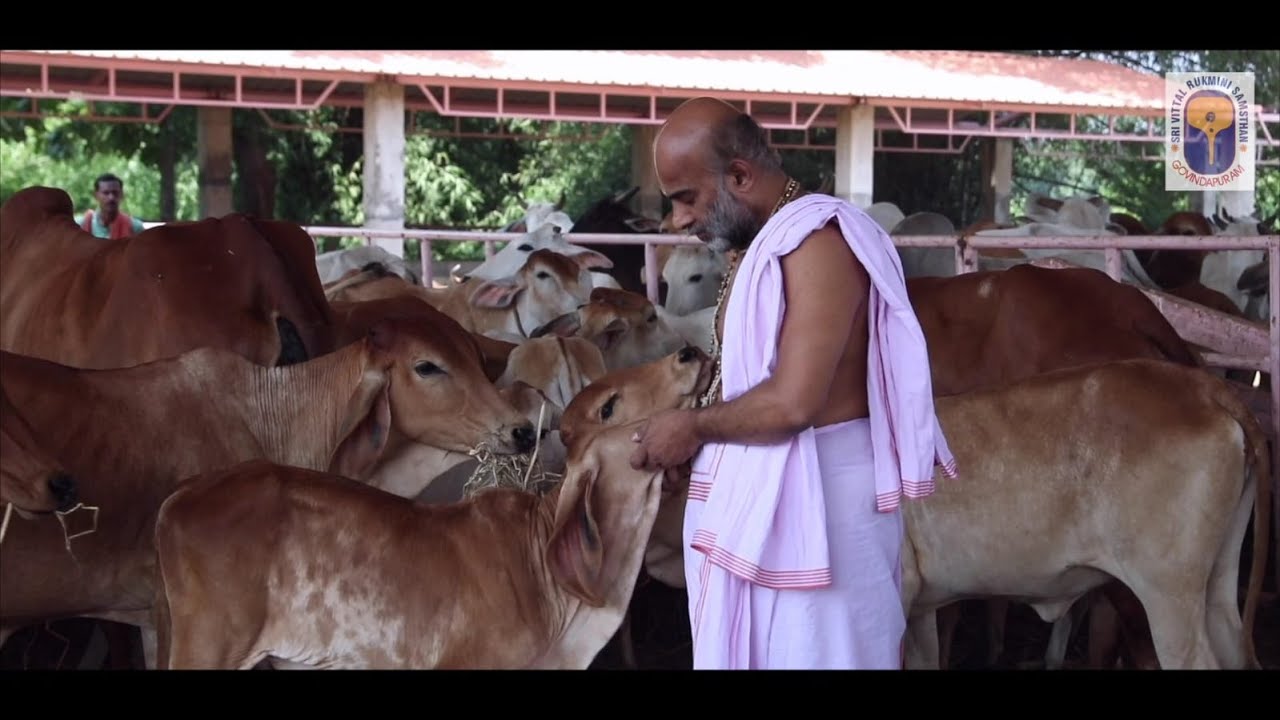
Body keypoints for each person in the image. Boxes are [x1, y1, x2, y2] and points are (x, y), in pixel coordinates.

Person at [628, 97, 957, 670]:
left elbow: (793, 401)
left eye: (686, 198)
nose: (678, 220)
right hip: (779, 514)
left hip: (824, 521)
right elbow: (741, 383)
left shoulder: (817, 244)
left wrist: (693, 428)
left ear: (739, 176)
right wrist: (699, 444)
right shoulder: (761, 245)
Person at [78, 173, 146, 239]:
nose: (111, 197)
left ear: (122, 194)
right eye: (106, 193)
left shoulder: (134, 228)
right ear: (96, 195)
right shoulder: (80, 225)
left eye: (115, 193)